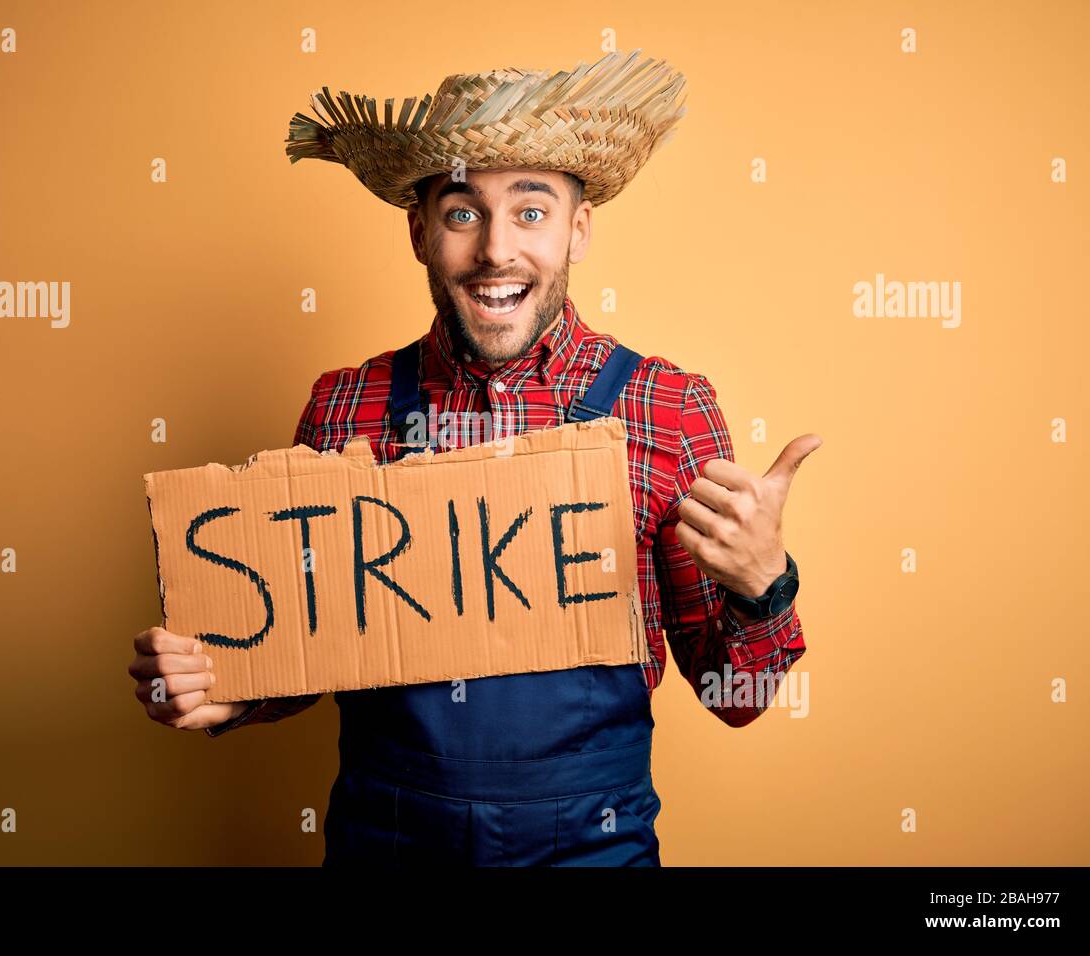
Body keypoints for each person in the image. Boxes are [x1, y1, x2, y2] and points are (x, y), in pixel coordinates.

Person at [128, 48, 820, 866]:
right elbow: (300, 656)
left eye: (532, 212)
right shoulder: (346, 408)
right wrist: (222, 693)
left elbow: (732, 698)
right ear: (420, 230)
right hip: (387, 842)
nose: (497, 250)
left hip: (593, 848)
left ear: (579, 229)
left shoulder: (665, 408)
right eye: (463, 212)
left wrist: (760, 584)